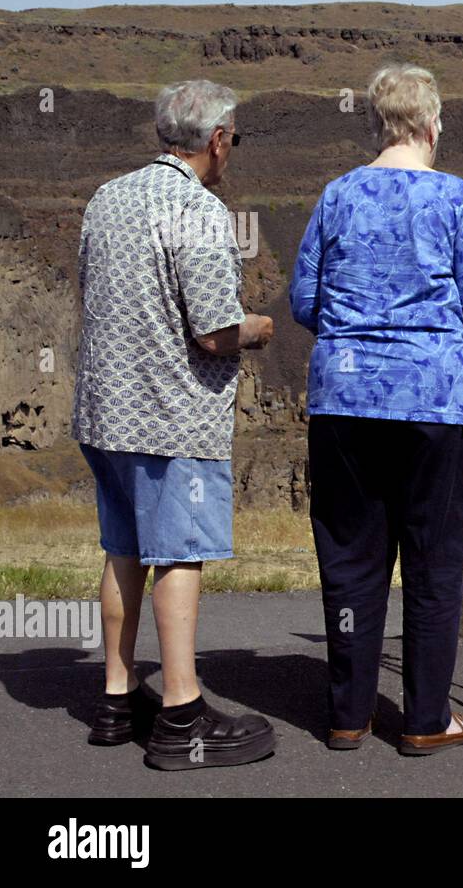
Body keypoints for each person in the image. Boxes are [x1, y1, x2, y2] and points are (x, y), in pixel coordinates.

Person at [290, 63, 463, 754]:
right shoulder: (457, 198)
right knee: (433, 562)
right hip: (436, 404)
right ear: (431, 125)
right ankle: (425, 720)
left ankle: (348, 714)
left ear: (377, 123)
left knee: (352, 561)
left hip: (346, 399)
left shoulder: (338, 195)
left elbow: (305, 300)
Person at [74, 79, 277, 770]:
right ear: (216, 140)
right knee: (178, 552)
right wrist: (260, 327)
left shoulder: (108, 198)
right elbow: (216, 331)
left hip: (105, 408)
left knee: (123, 549)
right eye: (234, 140)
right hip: (171, 415)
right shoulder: (197, 210)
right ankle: (182, 712)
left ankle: (115, 696)